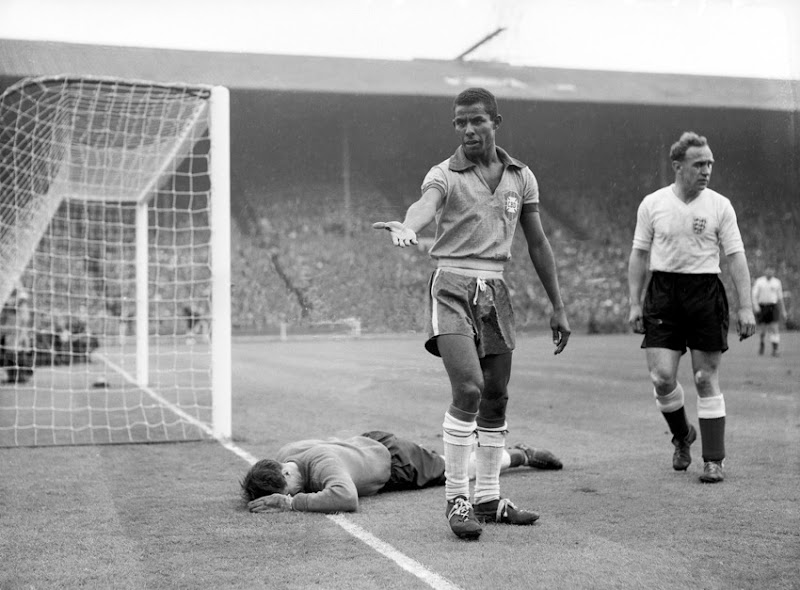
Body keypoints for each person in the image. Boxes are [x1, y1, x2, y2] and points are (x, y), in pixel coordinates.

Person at [373, 87, 571, 540]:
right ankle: (456, 497)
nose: (467, 129)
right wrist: (409, 225)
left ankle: (487, 499)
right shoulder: (444, 173)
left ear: (495, 121)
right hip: (452, 285)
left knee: (497, 397)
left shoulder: (521, 177)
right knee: (469, 388)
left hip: (495, 288)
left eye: (476, 120)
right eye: (459, 122)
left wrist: (558, 305)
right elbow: (424, 206)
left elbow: (537, 243)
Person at [628, 131, 756, 485]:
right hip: (663, 292)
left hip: (704, 292)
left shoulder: (720, 205)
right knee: (661, 377)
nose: (707, 170)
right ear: (678, 166)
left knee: (704, 377)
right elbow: (639, 255)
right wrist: (634, 303)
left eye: (710, 163)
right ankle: (683, 434)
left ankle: (714, 460)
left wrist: (746, 307)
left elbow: (735, 257)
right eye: (699, 164)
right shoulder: (652, 204)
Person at [243, 430, 562, 514]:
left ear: (285, 476)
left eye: (289, 491)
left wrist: (291, 504)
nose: (295, 494)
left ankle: (521, 455)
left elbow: (347, 498)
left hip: (398, 465)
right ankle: (476, 440)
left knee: (465, 471)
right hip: (372, 443)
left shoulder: (324, 466)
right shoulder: (285, 454)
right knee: (444, 458)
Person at [752, 267, 786, 357]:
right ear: (765, 271)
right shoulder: (759, 281)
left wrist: (783, 310)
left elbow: (780, 298)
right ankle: (762, 343)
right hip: (762, 307)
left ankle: (775, 349)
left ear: (773, 271)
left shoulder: (777, 282)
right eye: (768, 270)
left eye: (771, 270)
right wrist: (756, 306)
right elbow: (754, 295)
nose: (769, 272)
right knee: (762, 330)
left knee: (774, 328)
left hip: (773, 306)